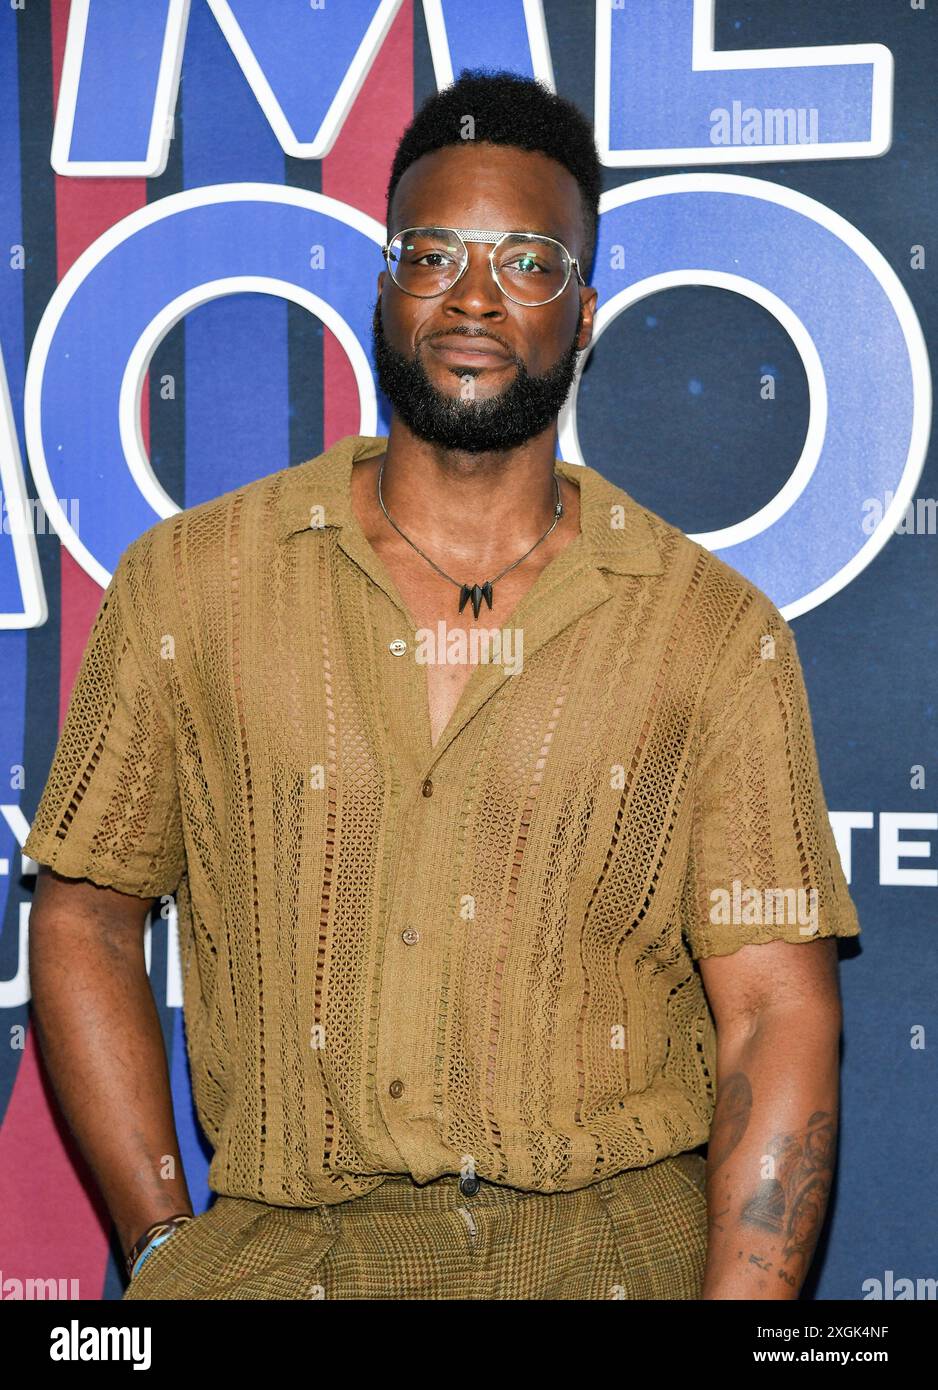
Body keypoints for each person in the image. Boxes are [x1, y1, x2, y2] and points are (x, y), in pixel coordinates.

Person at [24, 69, 860, 1302]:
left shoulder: (707, 628)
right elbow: (86, 912)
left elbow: (775, 1015)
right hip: (278, 1260)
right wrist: (161, 1244)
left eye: (528, 262)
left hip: (611, 1259)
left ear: (582, 313)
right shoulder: (188, 584)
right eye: (432, 253)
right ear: (382, 287)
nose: (474, 295)